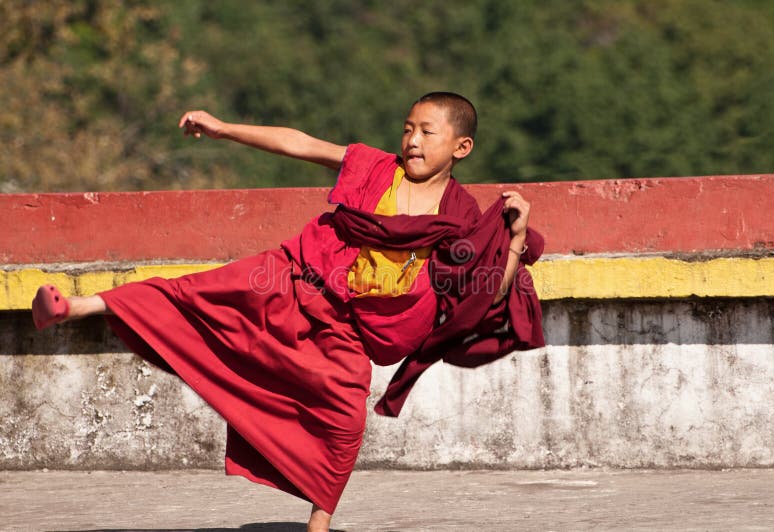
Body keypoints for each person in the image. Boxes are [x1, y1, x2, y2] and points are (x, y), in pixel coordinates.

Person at [31, 92, 545, 532]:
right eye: (408, 128)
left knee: (345, 416)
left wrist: (516, 238)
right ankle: (76, 306)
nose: (411, 140)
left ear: (461, 146)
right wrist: (223, 129)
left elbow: (486, 294)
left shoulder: (462, 219)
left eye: (427, 132)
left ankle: (318, 525)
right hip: (294, 274)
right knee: (198, 292)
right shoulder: (374, 167)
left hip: (349, 324)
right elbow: (300, 142)